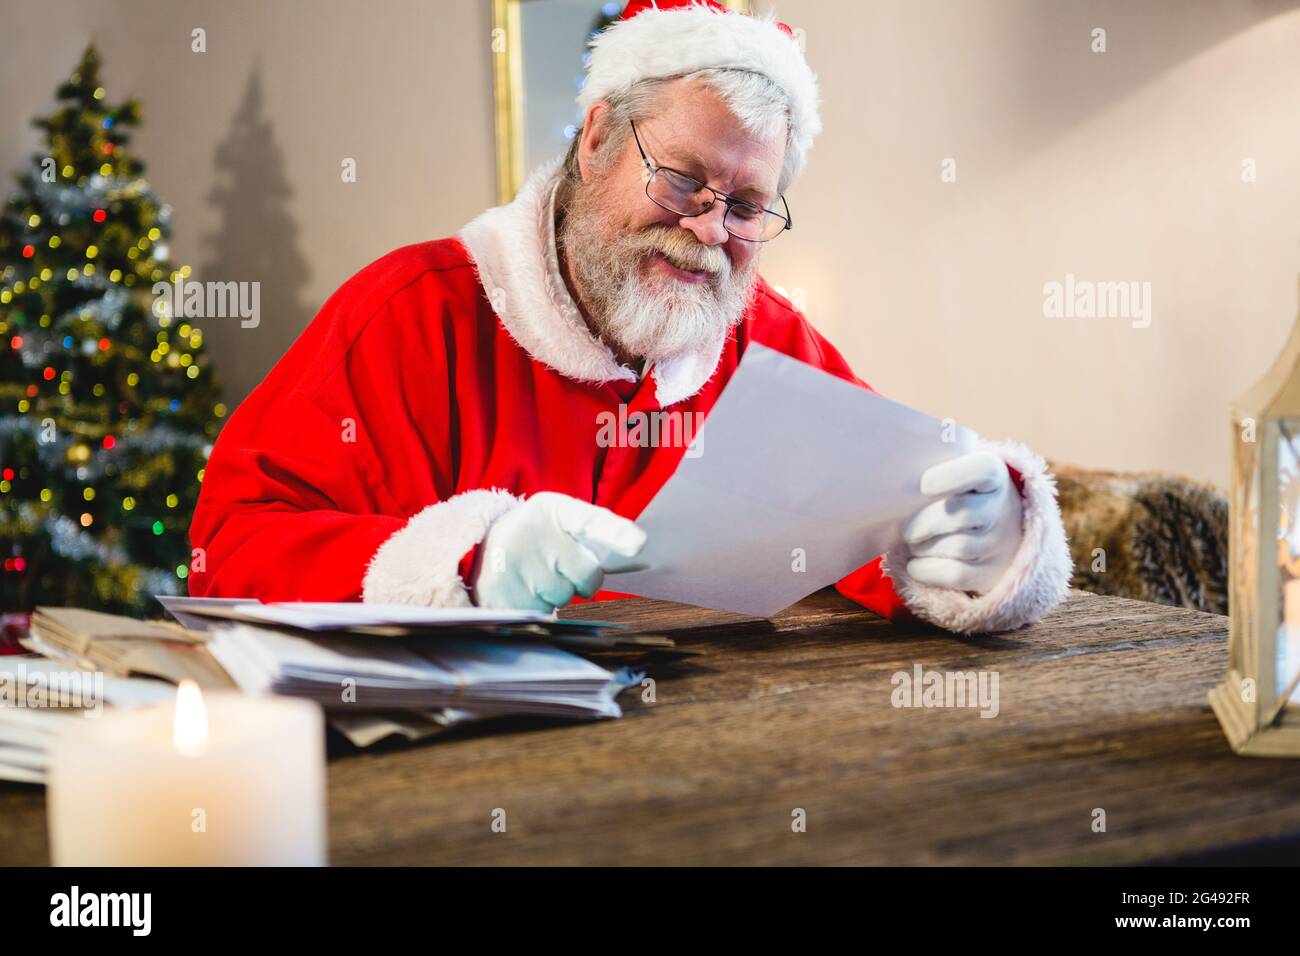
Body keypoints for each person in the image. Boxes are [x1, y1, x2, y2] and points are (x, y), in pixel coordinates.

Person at [188, 0, 1071, 634]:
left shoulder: (761, 334)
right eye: (683, 179)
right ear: (597, 136)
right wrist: (469, 562)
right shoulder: (412, 314)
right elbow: (231, 547)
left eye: (745, 207)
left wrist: (986, 544)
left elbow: (881, 521)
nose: (706, 229)